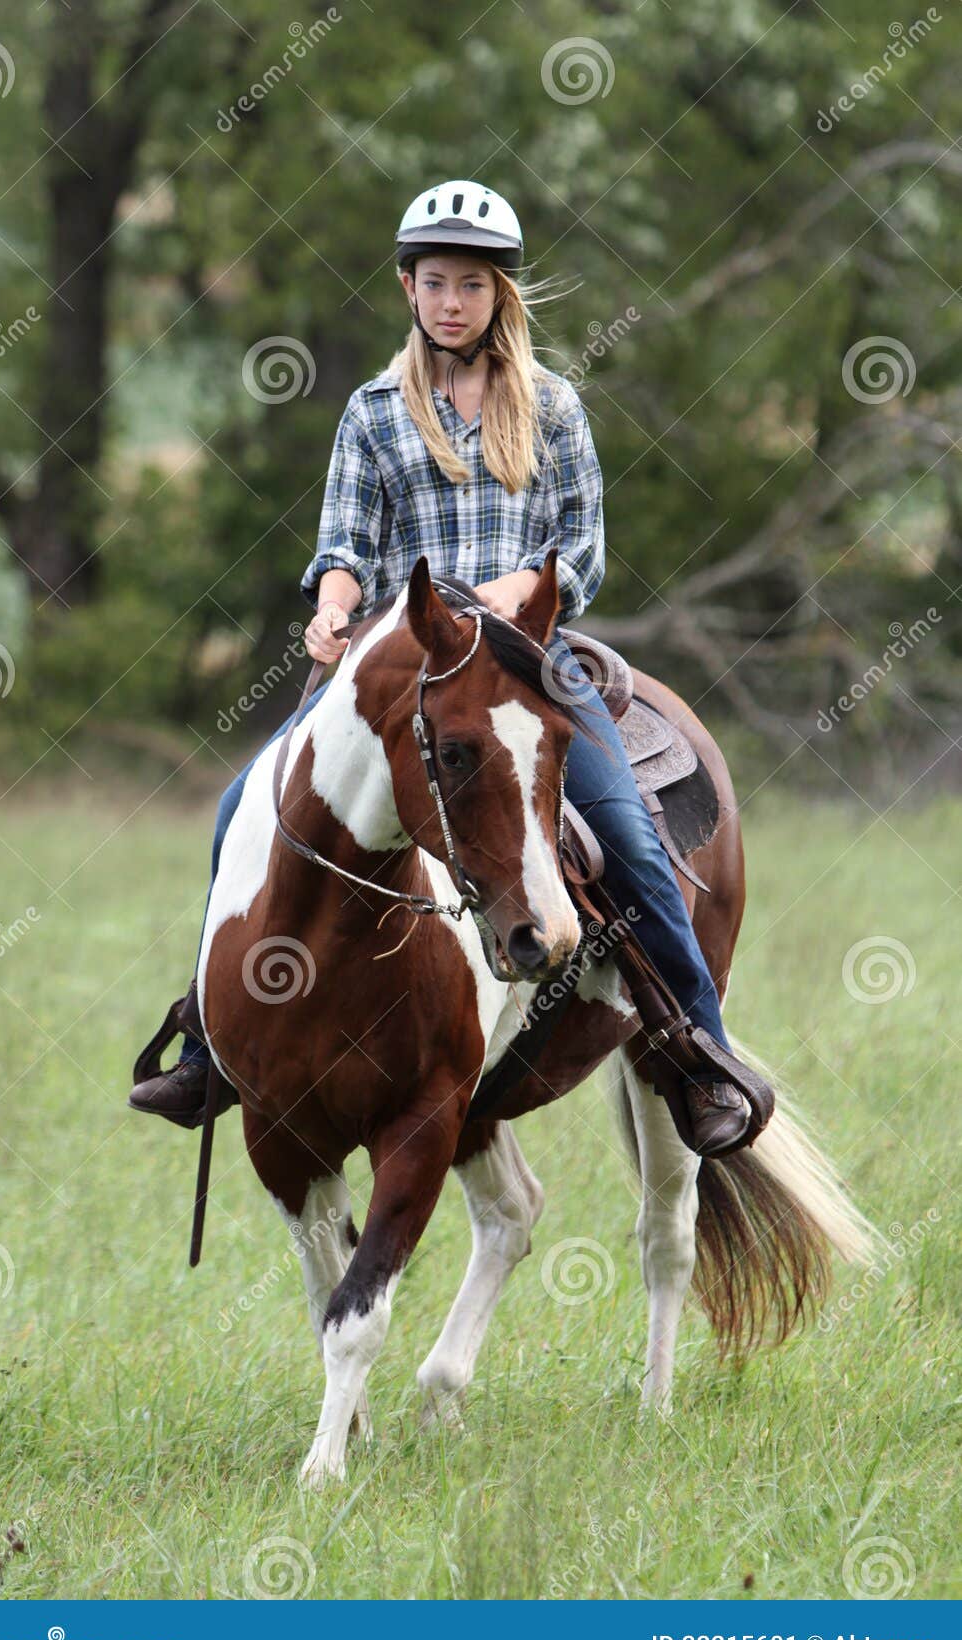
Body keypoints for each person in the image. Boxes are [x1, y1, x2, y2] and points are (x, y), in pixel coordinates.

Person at [129, 179, 751, 1157]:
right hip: (395, 675)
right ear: (408, 289)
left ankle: (698, 1050)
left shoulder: (552, 409)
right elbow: (342, 542)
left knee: (629, 843)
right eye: (433, 282)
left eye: (469, 282)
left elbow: (581, 550)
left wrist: (508, 594)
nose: (450, 300)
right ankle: (213, 1042)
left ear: (499, 293)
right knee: (236, 809)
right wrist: (333, 604)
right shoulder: (375, 412)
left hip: (521, 675)